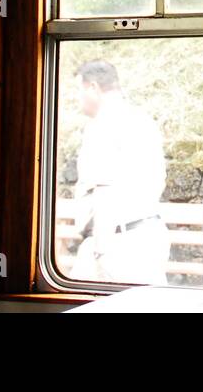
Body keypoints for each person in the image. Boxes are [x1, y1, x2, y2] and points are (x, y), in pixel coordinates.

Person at [70, 60, 170, 285]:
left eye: (79, 90)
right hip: (150, 233)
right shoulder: (143, 120)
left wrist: (101, 251)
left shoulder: (102, 125)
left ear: (93, 88)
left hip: (116, 243)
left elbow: (105, 190)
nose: (78, 99)